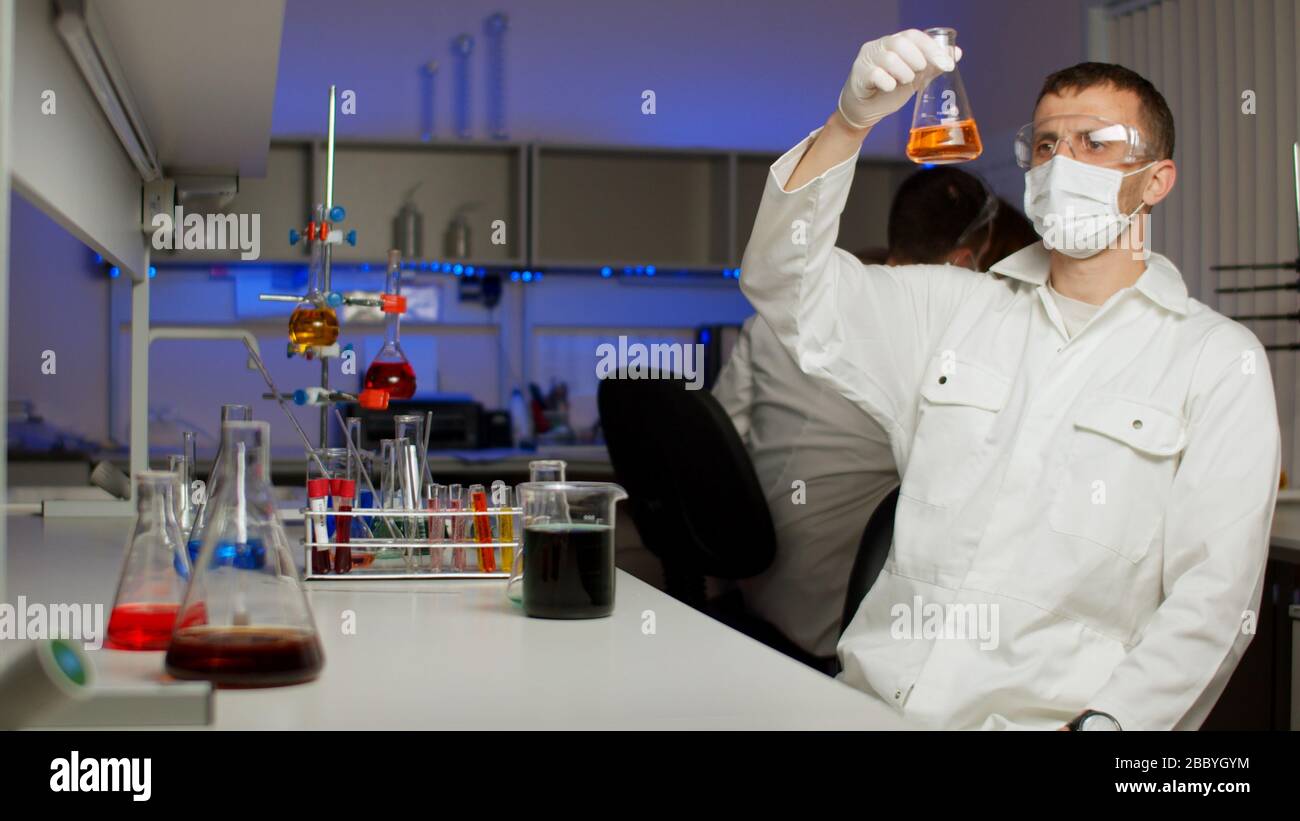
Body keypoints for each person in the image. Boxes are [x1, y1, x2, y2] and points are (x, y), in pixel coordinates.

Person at [739, 29, 1280, 730]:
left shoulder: (1214, 359)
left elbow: (1213, 602)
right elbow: (782, 283)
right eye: (1048, 145)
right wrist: (850, 122)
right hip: (867, 704)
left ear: (1155, 179)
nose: (1062, 163)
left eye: (1095, 143)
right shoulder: (950, 306)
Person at [714, 167, 1002, 663]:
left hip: (756, 593)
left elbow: (714, 443)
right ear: (963, 261)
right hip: (842, 629)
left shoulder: (772, 322)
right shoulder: (948, 347)